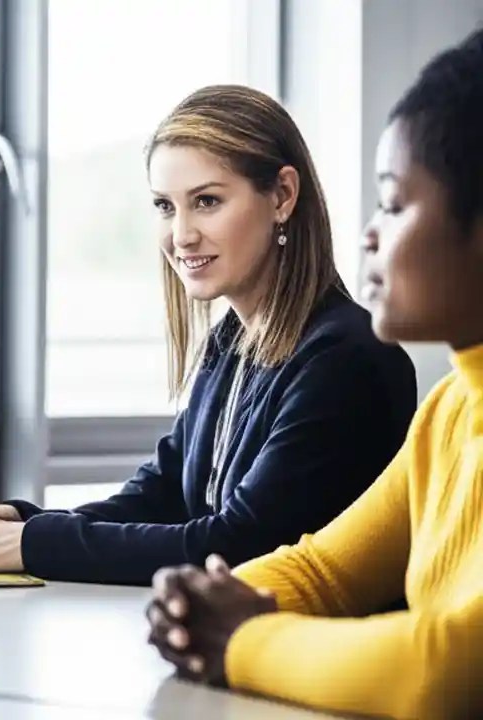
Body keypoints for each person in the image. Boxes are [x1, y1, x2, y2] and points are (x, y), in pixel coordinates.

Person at [0, 85, 417, 585]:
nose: (181, 235)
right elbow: (163, 494)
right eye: (165, 207)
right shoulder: (232, 341)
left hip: (315, 657)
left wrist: (35, 545)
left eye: (206, 201)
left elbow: (236, 546)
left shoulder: (344, 358)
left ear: (282, 196)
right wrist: (26, 524)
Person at [147, 28, 483, 719]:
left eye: (392, 203)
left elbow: (442, 670)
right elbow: (323, 569)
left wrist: (237, 638)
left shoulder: (345, 355)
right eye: (166, 206)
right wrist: (198, 605)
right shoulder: (452, 408)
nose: (367, 233)